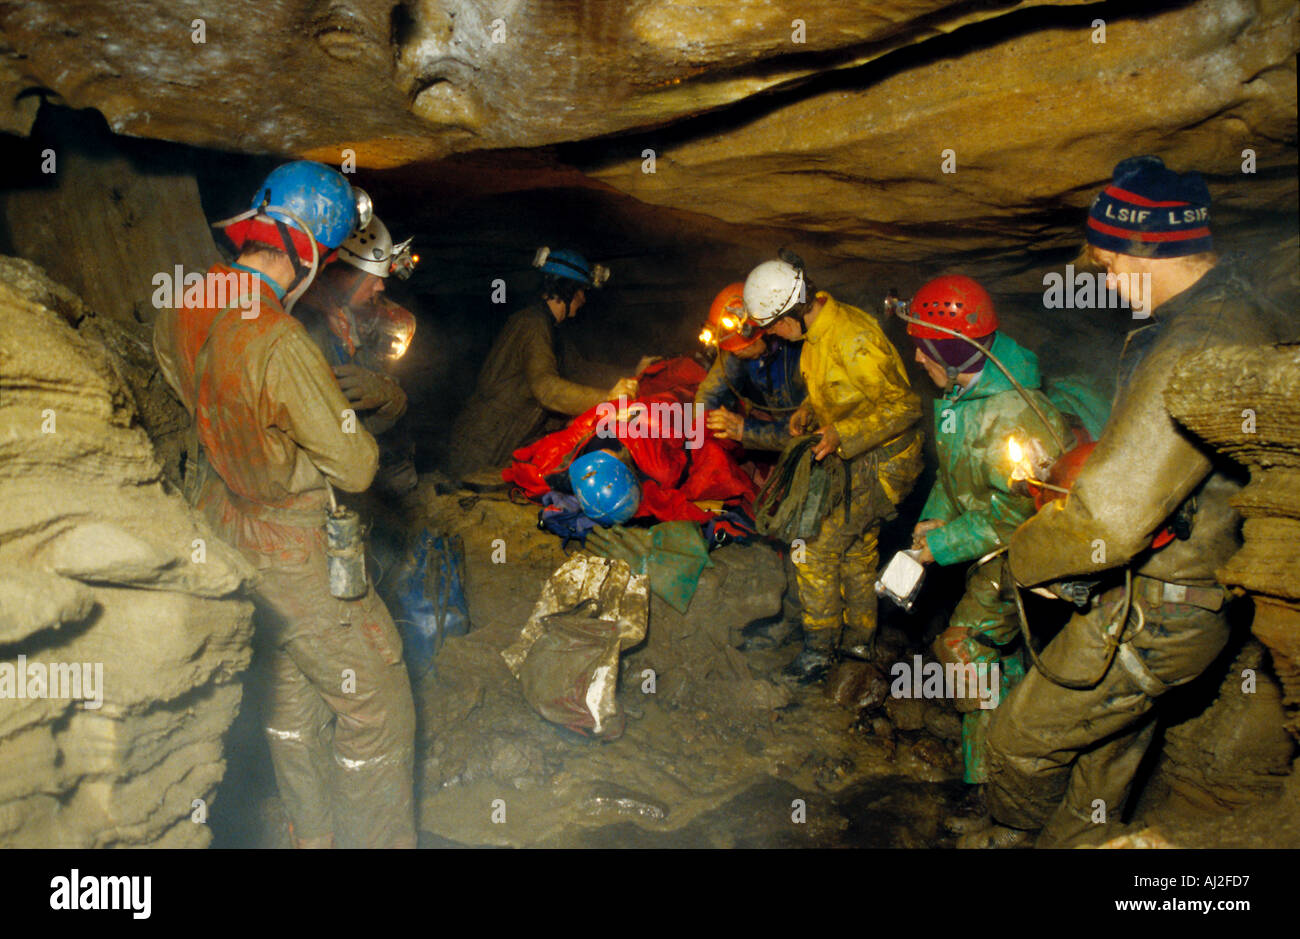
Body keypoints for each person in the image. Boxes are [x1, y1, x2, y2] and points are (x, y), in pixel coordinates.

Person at [971, 155, 1285, 848]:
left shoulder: (1196, 339)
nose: (1108, 282)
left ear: (1154, 249)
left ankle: (1015, 838)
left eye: (1112, 263)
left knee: (1019, 737)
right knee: (1106, 745)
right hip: (1187, 592)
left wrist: (1019, 559)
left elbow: (1110, 521)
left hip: (1164, 606)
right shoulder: (1225, 311)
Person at [153, 161, 416, 849]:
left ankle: (313, 836)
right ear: (306, 250)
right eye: (324, 258)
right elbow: (356, 465)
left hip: (226, 520)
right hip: (295, 543)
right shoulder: (278, 337)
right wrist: (327, 427)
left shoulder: (189, 300)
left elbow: (183, 385)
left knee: (292, 696)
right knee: (377, 705)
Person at [902, 275, 1082, 800]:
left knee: (963, 645)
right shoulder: (965, 392)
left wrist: (944, 544)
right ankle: (996, 774)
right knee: (998, 656)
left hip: (1026, 549)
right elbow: (953, 474)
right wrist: (934, 519)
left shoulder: (1020, 416)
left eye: (923, 349)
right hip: (986, 545)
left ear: (953, 352)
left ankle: (996, 788)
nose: (918, 360)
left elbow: (1025, 515)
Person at [743, 257, 924, 683]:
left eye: (773, 326)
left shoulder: (854, 337)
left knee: (815, 547)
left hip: (884, 463)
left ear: (790, 313)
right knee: (858, 549)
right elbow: (841, 389)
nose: (773, 336)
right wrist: (809, 411)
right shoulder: (817, 333)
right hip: (860, 457)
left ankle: (819, 649)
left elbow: (906, 406)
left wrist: (842, 432)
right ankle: (860, 642)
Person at [447, 248, 641, 481]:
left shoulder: (550, 330)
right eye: (581, 290)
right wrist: (609, 400)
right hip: (482, 446)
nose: (583, 298)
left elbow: (581, 370)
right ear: (567, 290)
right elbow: (546, 389)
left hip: (504, 439)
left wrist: (636, 373)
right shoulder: (532, 325)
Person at [295, 215, 419, 498]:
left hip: (353, 471)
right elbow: (329, 438)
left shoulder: (341, 315)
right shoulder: (301, 325)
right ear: (340, 272)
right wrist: (390, 404)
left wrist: (388, 393)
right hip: (324, 487)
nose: (380, 287)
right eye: (373, 278)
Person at [695, 282, 806, 452]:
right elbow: (710, 393)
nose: (737, 352)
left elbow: (804, 430)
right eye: (733, 347)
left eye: (742, 346)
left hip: (804, 435)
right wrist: (702, 431)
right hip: (772, 426)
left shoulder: (800, 351)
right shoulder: (739, 349)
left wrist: (745, 430)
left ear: (765, 330)